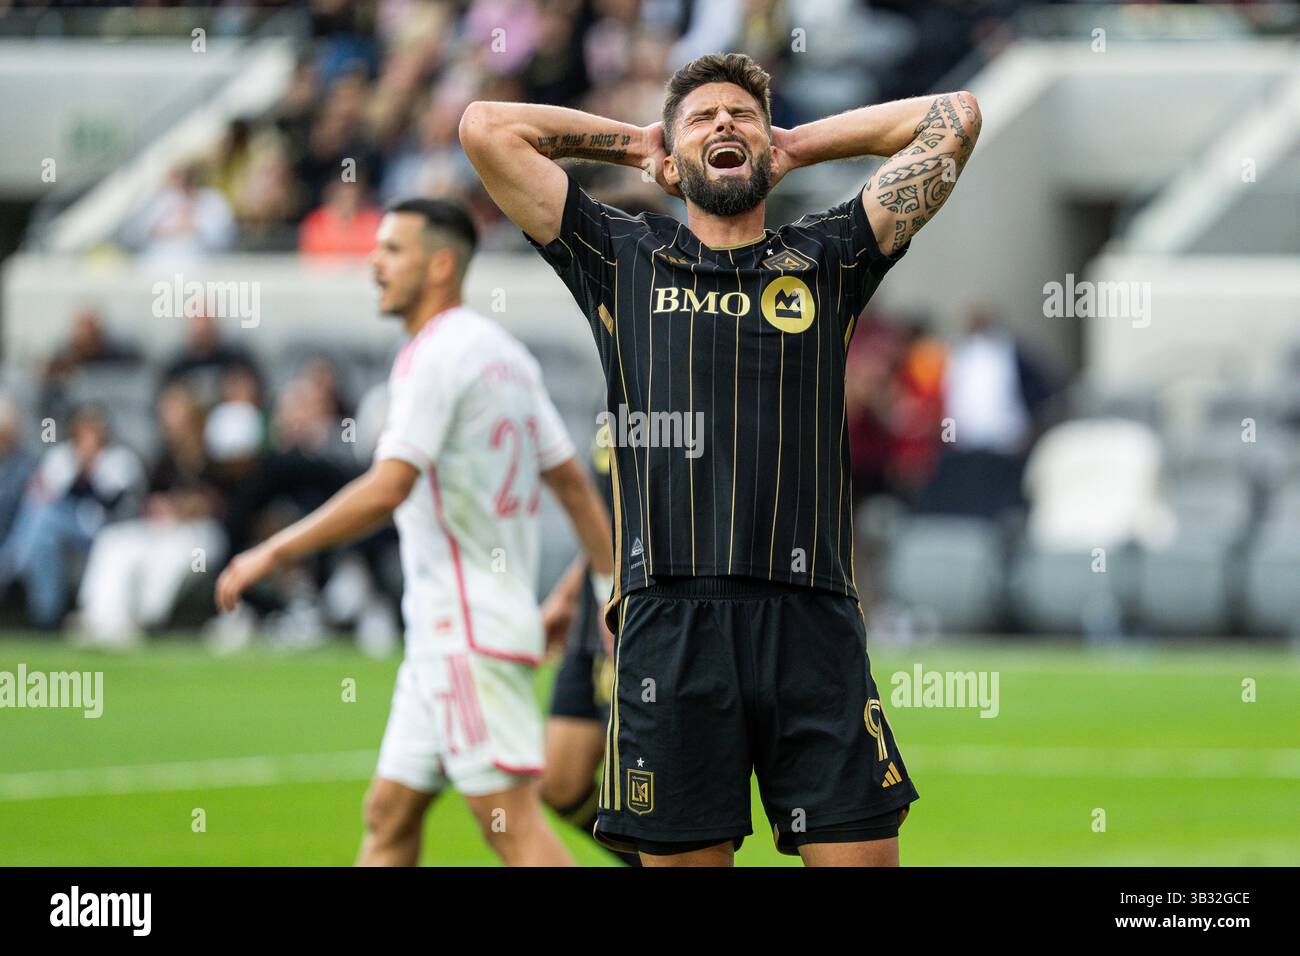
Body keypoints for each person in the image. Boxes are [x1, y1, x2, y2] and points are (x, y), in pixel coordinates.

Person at [461, 51, 981, 866]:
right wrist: (637, 146)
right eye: (701, 117)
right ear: (672, 158)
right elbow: (487, 128)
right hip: (669, 627)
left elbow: (955, 117)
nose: (724, 125)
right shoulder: (621, 255)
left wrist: (800, 142)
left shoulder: (827, 256)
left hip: (812, 619)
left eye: (742, 114)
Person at [215, 197, 615, 867]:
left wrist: (272, 549)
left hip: (462, 630)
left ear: (439, 264)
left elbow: (389, 485)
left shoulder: (433, 356)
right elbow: (572, 483)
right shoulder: (505, 355)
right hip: (465, 624)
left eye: (392, 250)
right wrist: (602, 589)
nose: (374, 263)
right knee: (389, 812)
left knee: (510, 823)